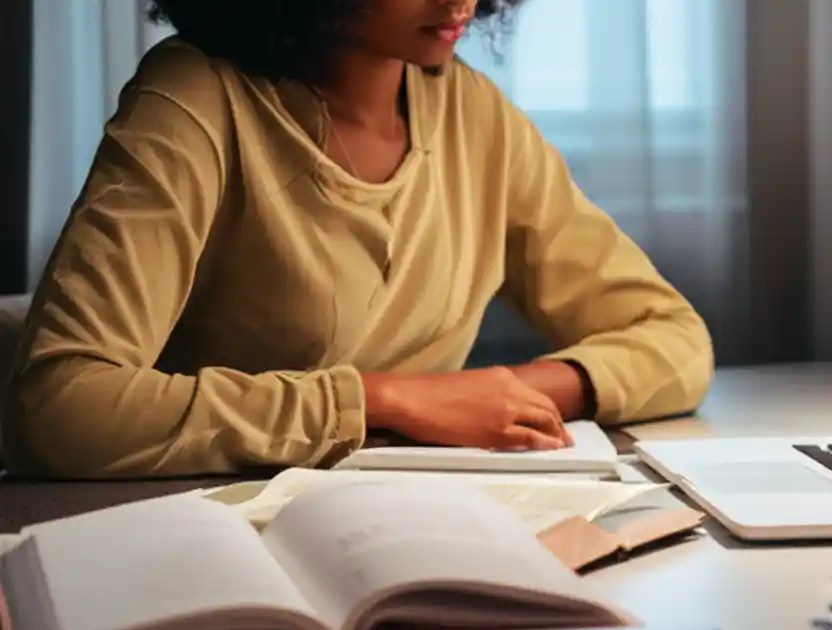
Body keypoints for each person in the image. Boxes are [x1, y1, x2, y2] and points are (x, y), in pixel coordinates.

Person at [2, 0, 713, 479]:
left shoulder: (474, 116)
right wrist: (388, 401)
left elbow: (674, 338)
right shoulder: (194, 99)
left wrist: (500, 395)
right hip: (171, 527)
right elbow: (64, 406)